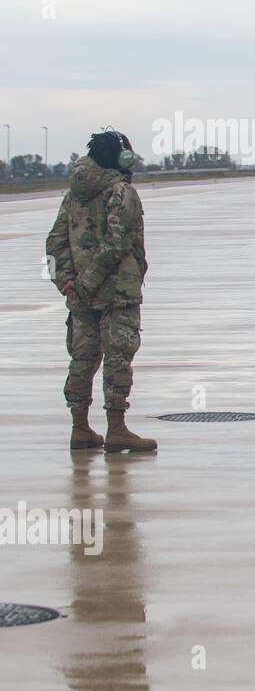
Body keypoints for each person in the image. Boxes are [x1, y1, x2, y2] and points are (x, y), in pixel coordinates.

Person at [46, 129, 156, 452]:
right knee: (118, 357)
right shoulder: (121, 193)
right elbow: (116, 243)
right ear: (122, 158)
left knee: (83, 358)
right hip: (116, 295)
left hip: (81, 299)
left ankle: (79, 428)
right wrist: (85, 283)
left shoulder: (73, 195)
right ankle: (117, 429)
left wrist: (66, 283)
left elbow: (54, 244)